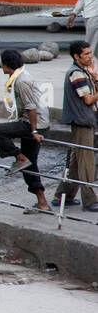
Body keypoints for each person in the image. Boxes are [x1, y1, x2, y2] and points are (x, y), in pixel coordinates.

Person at [0, 48, 52, 213]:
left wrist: (33, 131)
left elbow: (31, 108)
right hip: (33, 122)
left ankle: (19, 157)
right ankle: (42, 202)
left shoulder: (22, 80)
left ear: (6, 65)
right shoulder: (19, 76)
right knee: (30, 165)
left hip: (34, 124)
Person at [52, 40, 98, 212]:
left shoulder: (83, 72)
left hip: (84, 121)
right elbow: (88, 99)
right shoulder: (76, 74)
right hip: (82, 121)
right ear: (76, 56)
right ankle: (90, 200)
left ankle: (63, 195)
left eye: (90, 53)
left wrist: (94, 76)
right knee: (87, 162)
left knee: (76, 161)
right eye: (86, 54)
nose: (89, 57)